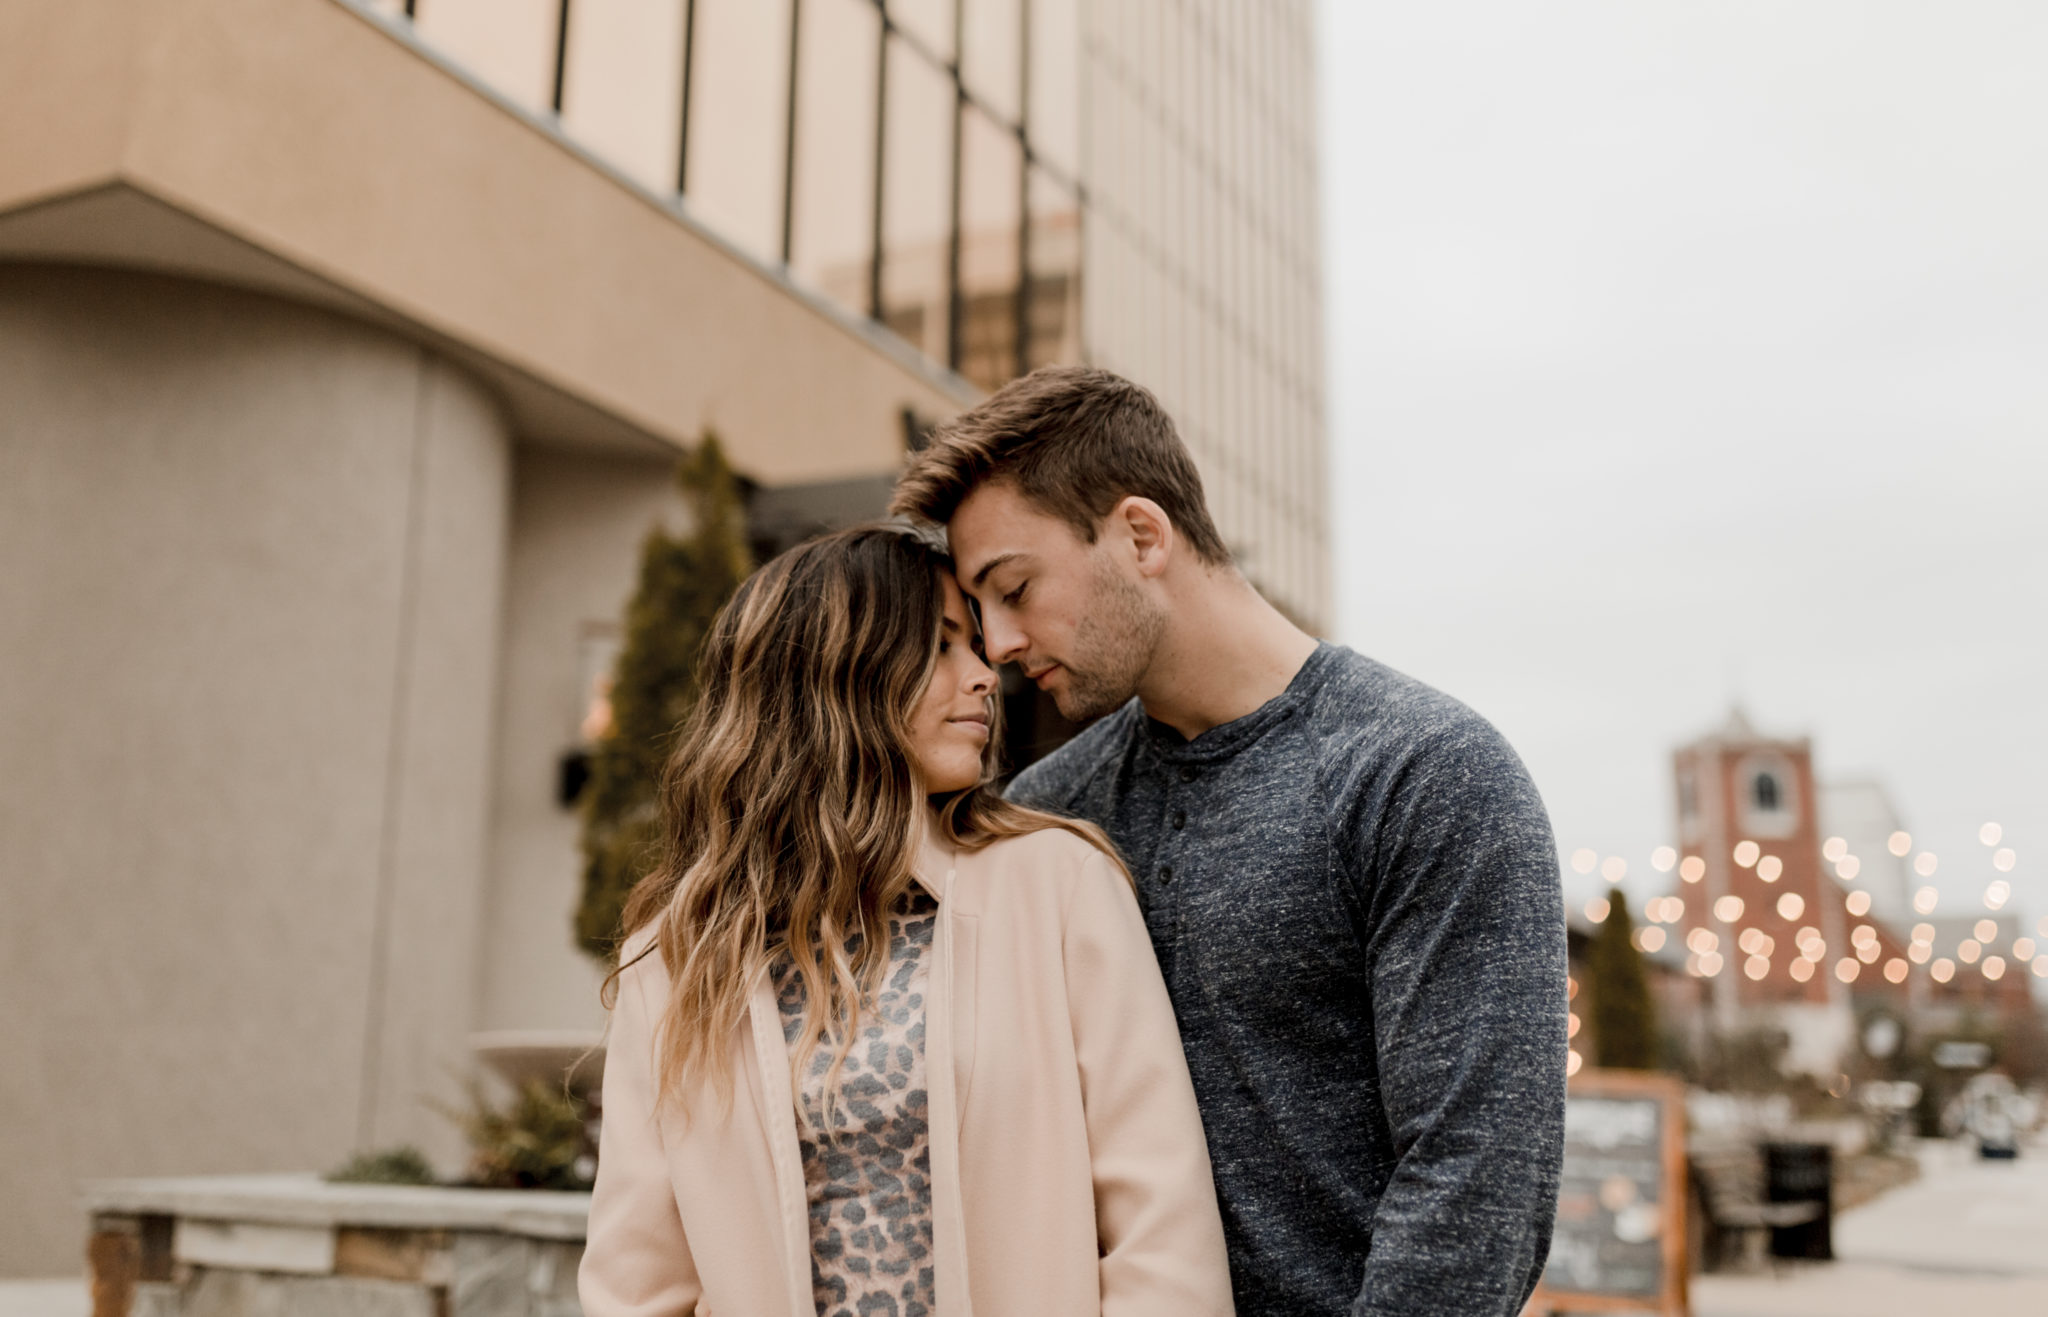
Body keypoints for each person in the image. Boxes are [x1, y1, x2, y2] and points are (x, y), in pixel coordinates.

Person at [891, 367, 1569, 1317]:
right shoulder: (1053, 809)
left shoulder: (1425, 773)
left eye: (1016, 588)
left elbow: (1477, 1182)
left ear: (1141, 535)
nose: (998, 644)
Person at [579, 526, 1234, 1317]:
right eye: (943, 647)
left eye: (978, 646)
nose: (986, 674)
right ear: (836, 679)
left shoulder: (1059, 886)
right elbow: (636, 1286)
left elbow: (1161, 1234)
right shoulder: (678, 959)